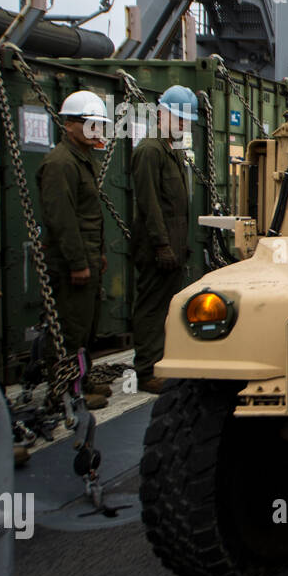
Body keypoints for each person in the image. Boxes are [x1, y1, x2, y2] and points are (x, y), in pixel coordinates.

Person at [37, 90, 111, 410]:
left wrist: (99, 254)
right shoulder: (60, 163)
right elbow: (62, 219)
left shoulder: (83, 160)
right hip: (71, 261)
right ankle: (64, 390)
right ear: (70, 125)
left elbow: (90, 214)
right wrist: (78, 262)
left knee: (85, 323)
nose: (97, 130)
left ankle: (81, 376)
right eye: (91, 124)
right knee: (67, 326)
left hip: (88, 256)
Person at [130, 85, 195, 394]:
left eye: (186, 120)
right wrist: (162, 245)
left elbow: (176, 208)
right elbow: (150, 205)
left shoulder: (171, 150)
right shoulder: (149, 151)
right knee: (151, 309)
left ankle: (161, 363)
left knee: (166, 309)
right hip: (158, 249)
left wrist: (181, 244)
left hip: (173, 247)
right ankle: (146, 371)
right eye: (178, 118)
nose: (183, 124)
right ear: (162, 113)